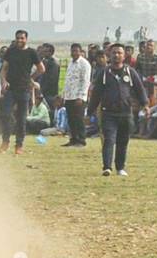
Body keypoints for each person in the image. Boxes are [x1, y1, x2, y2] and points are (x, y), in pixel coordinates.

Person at [89, 44, 147, 177]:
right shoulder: (104, 73)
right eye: (114, 53)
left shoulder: (130, 72)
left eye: (120, 53)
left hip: (126, 113)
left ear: (124, 55)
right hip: (108, 113)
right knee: (109, 139)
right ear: (110, 55)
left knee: (123, 141)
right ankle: (107, 167)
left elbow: (140, 89)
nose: (117, 55)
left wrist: (145, 104)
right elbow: (96, 94)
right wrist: (90, 111)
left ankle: (120, 167)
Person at [0, 29, 42, 154]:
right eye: (17, 38)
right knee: (6, 115)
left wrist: (31, 79)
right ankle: (5, 142)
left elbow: (41, 68)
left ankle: (19, 146)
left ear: (26, 39)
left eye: (22, 38)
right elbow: (4, 68)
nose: (19, 40)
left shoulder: (31, 52)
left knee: (21, 119)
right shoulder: (10, 51)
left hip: (24, 90)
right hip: (10, 89)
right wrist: (3, 80)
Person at [60, 43, 91, 147]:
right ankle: (73, 139)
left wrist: (81, 96)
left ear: (80, 51)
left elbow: (85, 81)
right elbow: (67, 80)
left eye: (76, 51)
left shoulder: (84, 64)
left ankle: (81, 140)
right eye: (72, 51)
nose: (74, 53)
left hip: (78, 97)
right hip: (69, 96)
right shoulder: (71, 63)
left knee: (79, 119)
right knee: (71, 119)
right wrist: (63, 94)